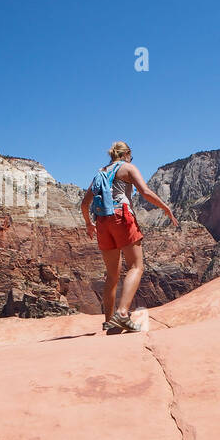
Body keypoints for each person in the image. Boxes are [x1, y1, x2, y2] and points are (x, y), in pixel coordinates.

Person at [82, 140, 178, 335]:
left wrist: (88, 224)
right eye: (130, 156)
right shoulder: (127, 168)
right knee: (136, 266)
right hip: (121, 217)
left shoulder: (100, 172)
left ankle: (109, 322)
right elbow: (145, 192)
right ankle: (123, 314)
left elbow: (85, 204)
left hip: (101, 221)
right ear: (127, 154)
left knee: (112, 275)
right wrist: (165, 208)